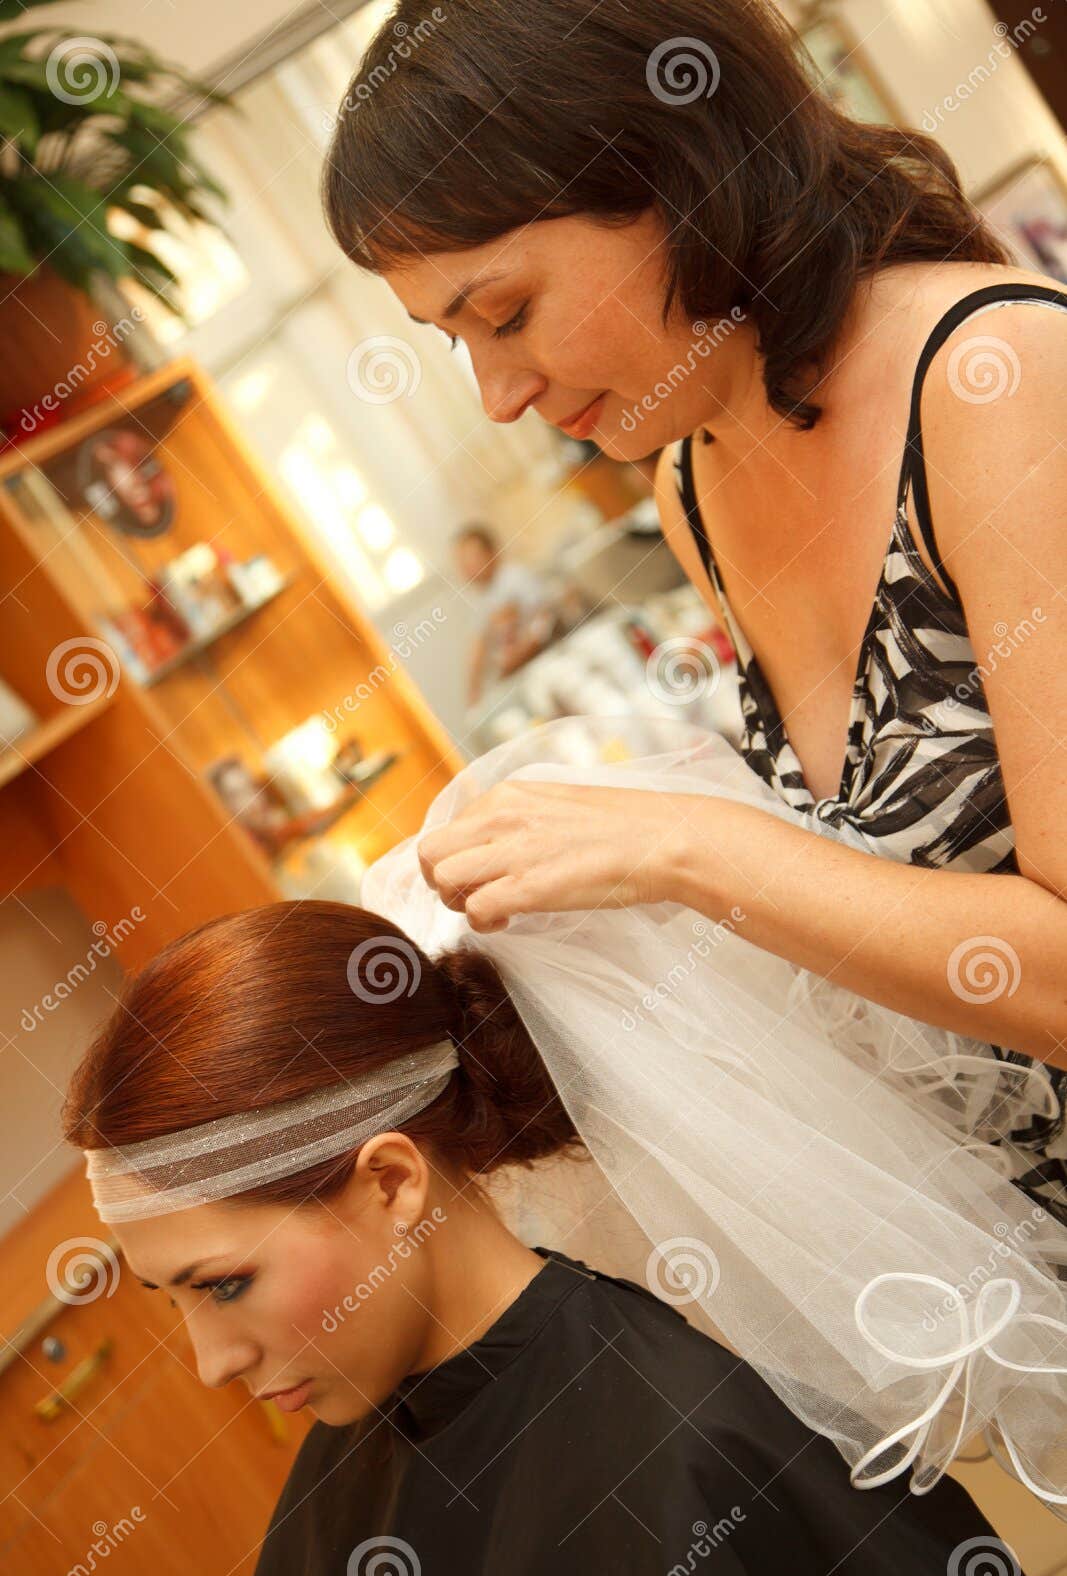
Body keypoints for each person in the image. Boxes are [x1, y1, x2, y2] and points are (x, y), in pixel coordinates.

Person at [321, 0, 1067, 1226]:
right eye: (452, 340)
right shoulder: (694, 484)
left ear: (679, 173)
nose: (497, 395)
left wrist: (682, 846)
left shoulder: (995, 386)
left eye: (504, 313)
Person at [63, 899, 1038, 1576]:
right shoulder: (347, 1465)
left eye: (225, 1283)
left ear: (393, 1183)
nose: (210, 1360)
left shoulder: (684, 1457)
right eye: (169, 1297)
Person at [452, 524, 555, 705]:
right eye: (462, 563)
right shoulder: (482, 600)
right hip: (523, 674)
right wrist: (474, 692)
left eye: (472, 558)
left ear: (492, 552)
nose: (468, 567)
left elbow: (545, 616)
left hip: (548, 661)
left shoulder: (513, 578)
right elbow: (478, 647)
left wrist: (523, 651)